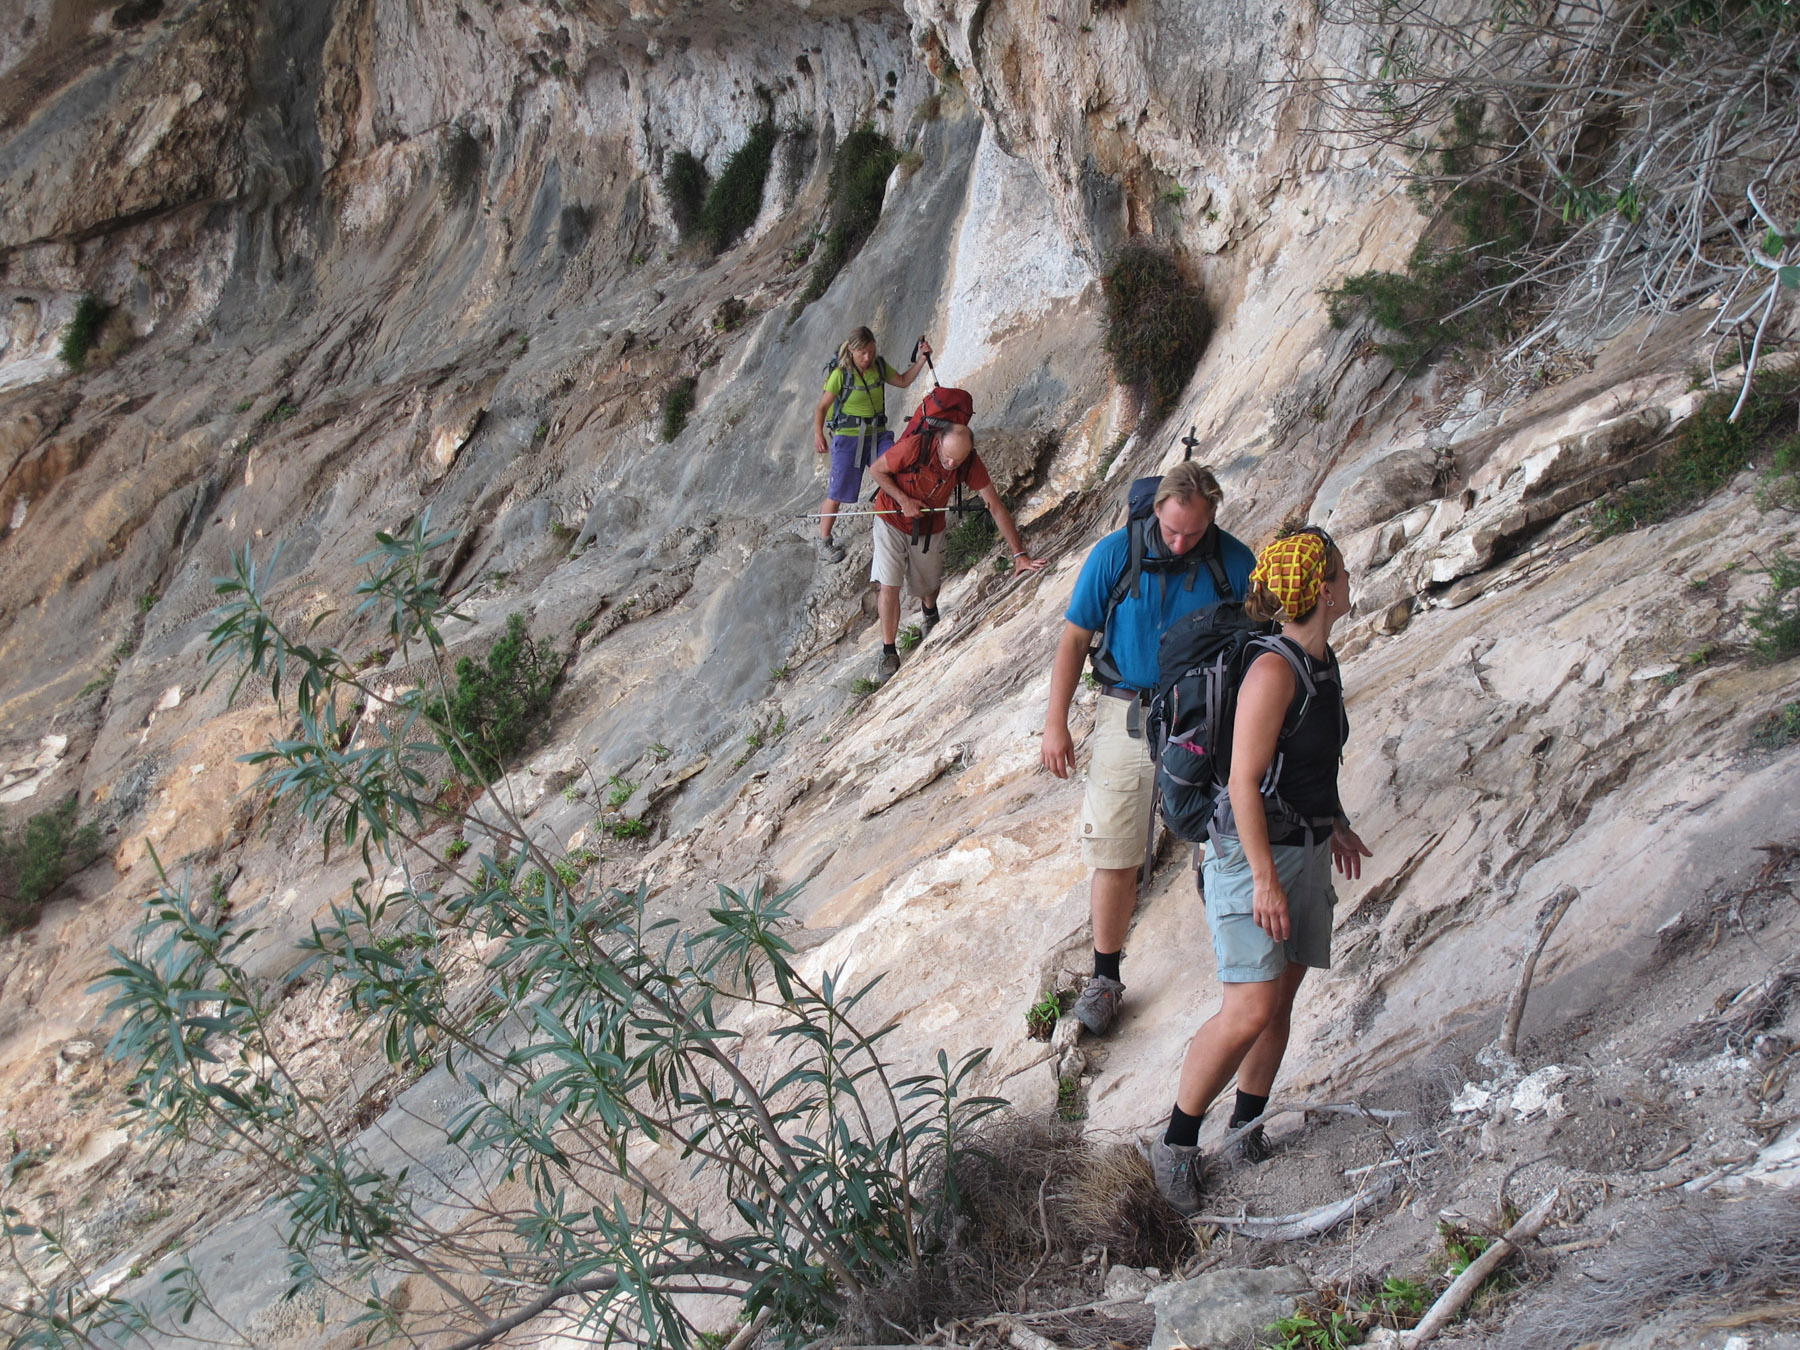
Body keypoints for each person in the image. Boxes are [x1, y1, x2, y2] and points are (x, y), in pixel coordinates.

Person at [1146, 526, 1372, 1215]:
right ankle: (1176, 1147)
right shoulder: (1273, 670)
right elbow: (1243, 782)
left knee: (1278, 1000)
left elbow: (1307, 761)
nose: (1347, 575)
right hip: (1252, 858)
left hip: (1300, 846)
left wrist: (1334, 821)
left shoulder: (1321, 661)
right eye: (1340, 568)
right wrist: (1265, 878)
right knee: (1248, 1008)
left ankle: (1246, 1129)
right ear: (1325, 590)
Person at [1041, 461, 1255, 1037]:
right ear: (1156, 509)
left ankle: (1235, 961)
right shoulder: (1114, 554)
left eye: (1193, 532)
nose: (1181, 542)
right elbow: (1075, 638)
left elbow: (1261, 644)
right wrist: (1055, 723)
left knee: (1225, 832)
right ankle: (1105, 979)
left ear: (1212, 517)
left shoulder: (1232, 561)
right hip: (1127, 709)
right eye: (1172, 530)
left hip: (1206, 715)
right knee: (1115, 846)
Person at [866, 420, 1044, 683]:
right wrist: (903, 500)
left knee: (929, 583)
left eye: (957, 461)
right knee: (889, 584)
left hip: (929, 525)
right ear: (938, 441)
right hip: (890, 517)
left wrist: (1019, 555)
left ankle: (930, 612)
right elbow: (877, 471)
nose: (951, 465)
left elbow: (994, 505)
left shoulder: (969, 462)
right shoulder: (915, 447)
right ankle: (888, 650)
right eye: (947, 458)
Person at [813, 328, 932, 563]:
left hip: (878, 435)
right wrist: (819, 434)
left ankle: (903, 519)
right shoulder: (840, 374)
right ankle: (824, 542)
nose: (867, 357)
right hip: (848, 437)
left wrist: (922, 360)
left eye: (871, 351)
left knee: (899, 469)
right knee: (837, 492)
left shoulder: (879, 366)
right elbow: (822, 407)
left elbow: (903, 381)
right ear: (852, 351)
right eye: (862, 353)